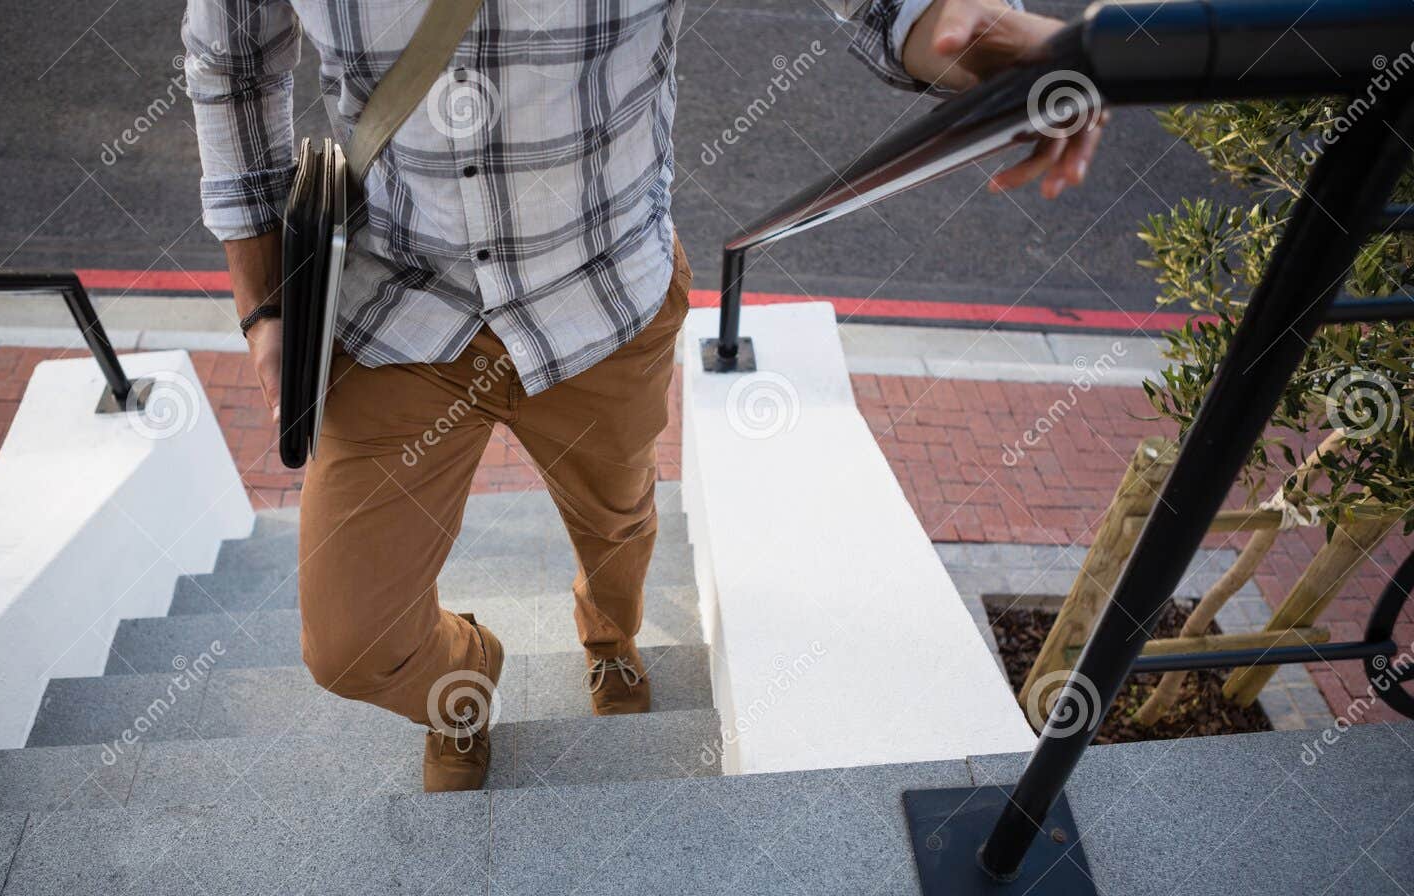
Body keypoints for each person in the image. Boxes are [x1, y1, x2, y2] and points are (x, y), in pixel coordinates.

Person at [183, 0, 1102, 792]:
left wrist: (944, 22)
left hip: (603, 295)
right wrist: (263, 300)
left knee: (618, 515)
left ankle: (608, 634)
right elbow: (229, 57)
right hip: (398, 303)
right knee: (347, 642)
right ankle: (463, 680)